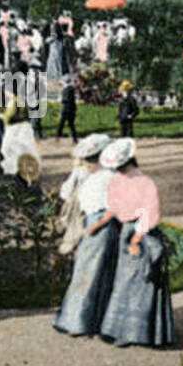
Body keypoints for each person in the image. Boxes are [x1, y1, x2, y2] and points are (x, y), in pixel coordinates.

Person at [93, 138, 176, 348]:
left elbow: (148, 213)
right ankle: (127, 330)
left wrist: (136, 238)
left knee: (138, 282)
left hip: (139, 233)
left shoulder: (138, 182)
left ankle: (135, 332)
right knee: (130, 281)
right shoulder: (133, 181)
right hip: (131, 232)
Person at [53, 134, 119, 336]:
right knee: (94, 273)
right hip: (100, 227)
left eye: (90, 161)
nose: (87, 165)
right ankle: (83, 321)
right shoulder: (106, 177)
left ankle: (80, 320)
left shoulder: (100, 177)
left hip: (94, 226)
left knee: (89, 273)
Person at [56, 77, 78, 142]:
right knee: (70, 124)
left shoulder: (68, 89)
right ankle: (74, 137)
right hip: (70, 108)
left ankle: (58, 135)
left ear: (65, 82)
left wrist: (60, 100)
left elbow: (66, 99)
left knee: (62, 123)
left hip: (66, 109)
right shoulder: (69, 88)